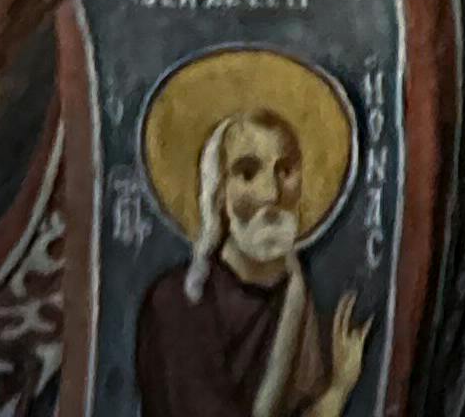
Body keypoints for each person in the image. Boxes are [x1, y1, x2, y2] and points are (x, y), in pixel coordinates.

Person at [135, 110, 370, 417]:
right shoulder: (177, 303)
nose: (270, 194)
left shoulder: (298, 295)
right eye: (247, 173)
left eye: (285, 170)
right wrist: (333, 398)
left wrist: (338, 388)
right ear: (219, 193)